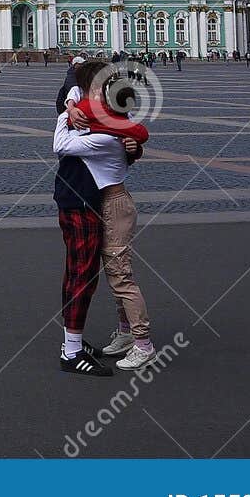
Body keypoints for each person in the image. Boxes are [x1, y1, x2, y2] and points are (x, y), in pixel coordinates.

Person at [53, 59, 146, 377]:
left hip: (92, 200)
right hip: (79, 201)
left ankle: (75, 344)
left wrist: (133, 148)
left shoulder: (108, 117)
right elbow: (72, 79)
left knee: (86, 273)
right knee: (82, 274)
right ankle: (72, 350)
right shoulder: (77, 103)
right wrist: (69, 108)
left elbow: (126, 147)